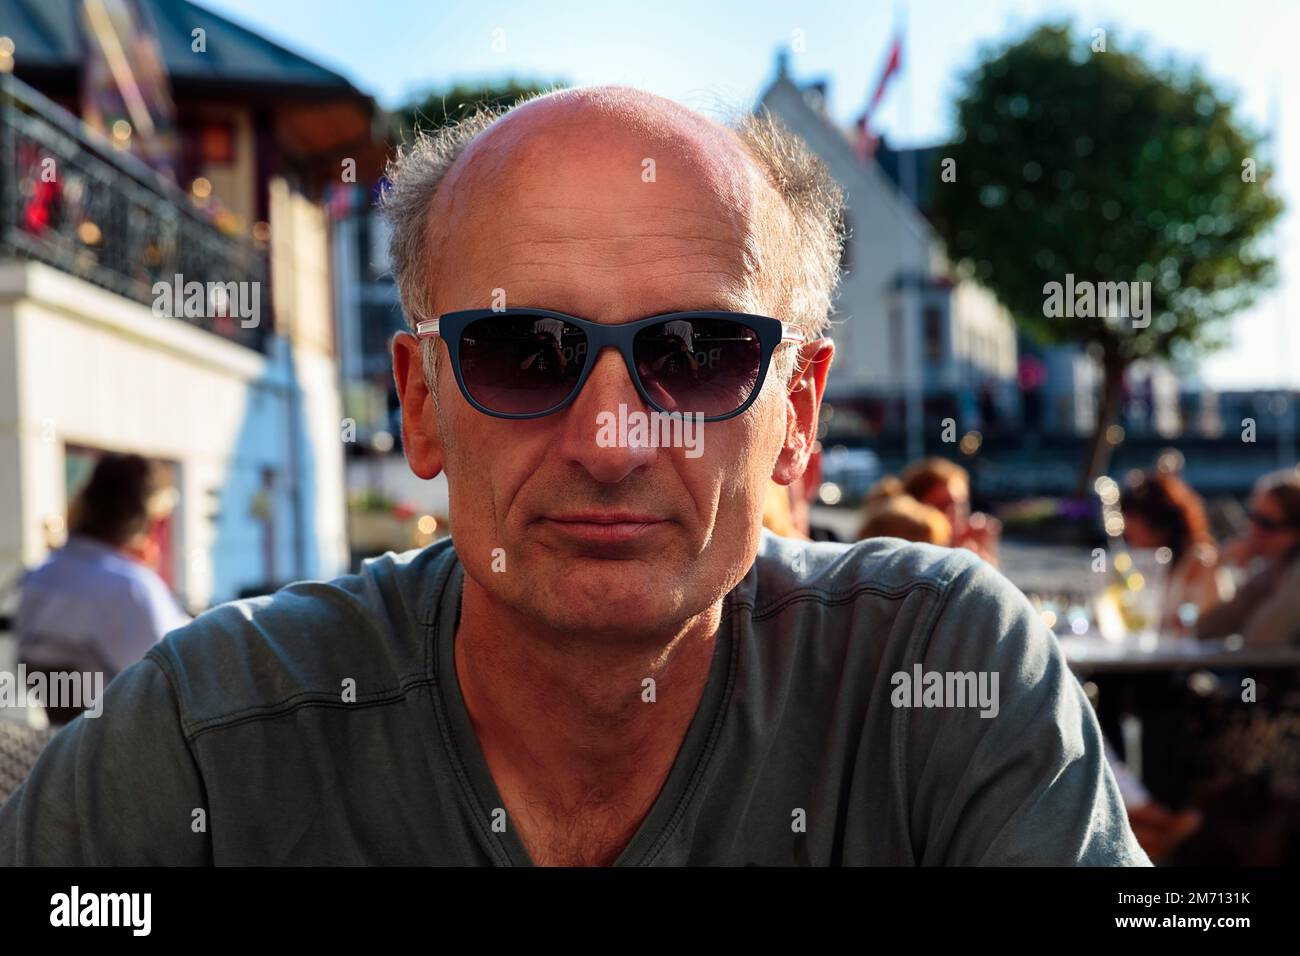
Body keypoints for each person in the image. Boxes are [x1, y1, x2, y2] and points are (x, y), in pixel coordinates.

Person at [0, 87, 1146, 865]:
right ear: (419, 402)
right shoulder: (216, 730)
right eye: (521, 351)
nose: (610, 439)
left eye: (698, 355)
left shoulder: (939, 680)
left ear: (794, 414)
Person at [14, 453, 189, 724]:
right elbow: (183, 680)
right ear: (143, 521)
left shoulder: (41, 576)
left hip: (68, 746)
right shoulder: (131, 588)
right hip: (130, 748)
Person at [1118, 469, 1232, 636]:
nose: (1127, 533)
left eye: (1134, 525)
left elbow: (1210, 625)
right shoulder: (1142, 562)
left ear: (1158, 526)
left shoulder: (1201, 562)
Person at [1197, 469, 1300, 645]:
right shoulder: (1271, 570)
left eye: (1266, 524)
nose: (1253, 531)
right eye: (1251, 517)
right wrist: (1215, 565)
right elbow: (1206, 629)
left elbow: (1260, 637)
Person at [899, 458, 1001, 564]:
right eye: (942, 506)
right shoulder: (910, 558)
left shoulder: (969, 549)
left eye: (961, 504)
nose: (955, 515)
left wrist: (985, 554)